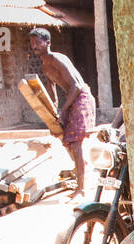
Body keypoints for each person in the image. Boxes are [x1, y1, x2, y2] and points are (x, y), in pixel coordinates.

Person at [29, 28, 96, 198]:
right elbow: (53, 94)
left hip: (80, 97)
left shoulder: (57, 59)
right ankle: (82, 178)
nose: (34, 46)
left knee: (75, 143)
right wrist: (53, 112)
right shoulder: (45, 67)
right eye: (32, 43)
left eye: (38, 42)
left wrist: (63, 110)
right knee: (67, 140)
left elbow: (76, 86)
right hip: (71, 99)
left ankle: (81, 189)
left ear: (48, 43)